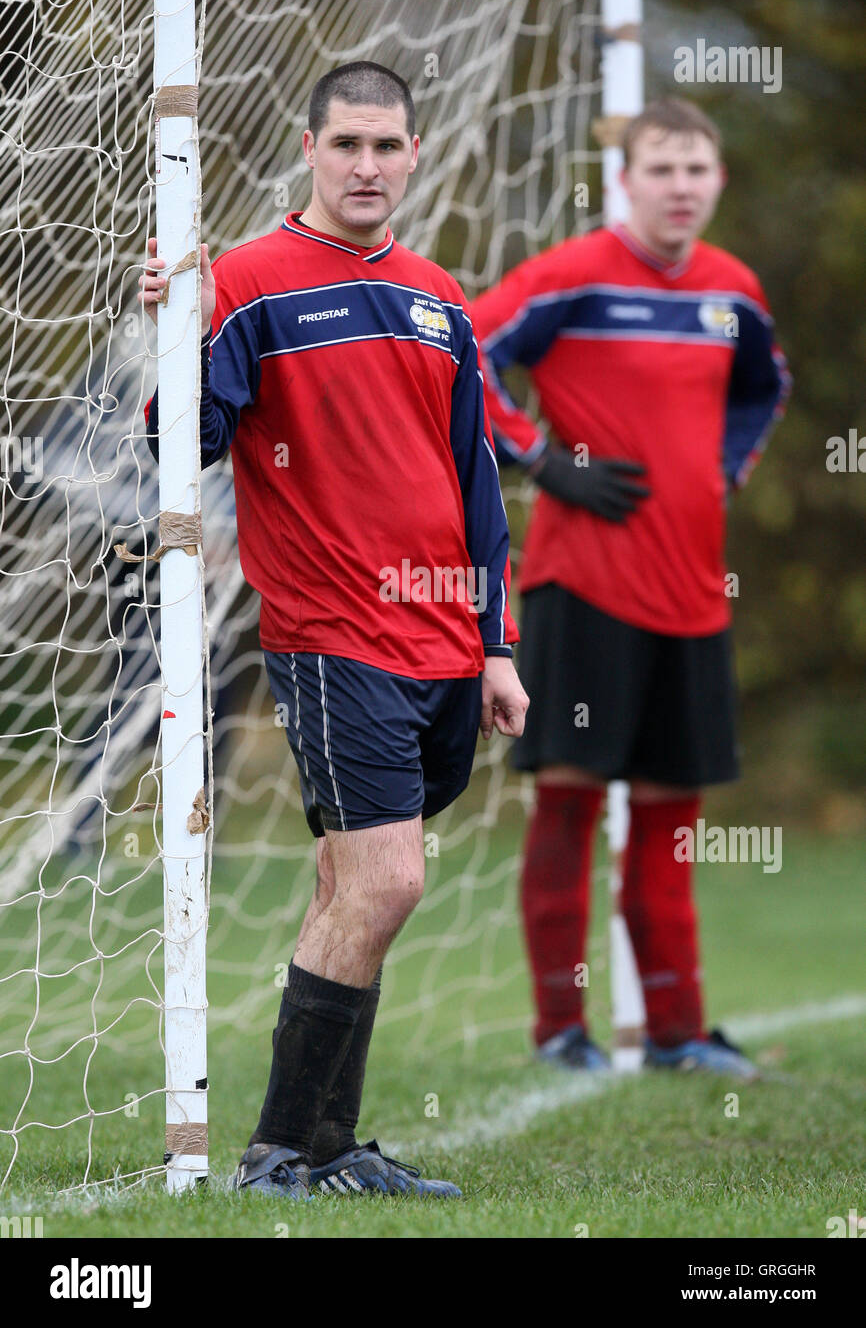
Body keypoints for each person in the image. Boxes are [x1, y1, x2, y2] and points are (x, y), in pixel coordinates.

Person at [139, 61, 528, 1199]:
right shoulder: (251, 282)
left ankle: (330, 1146)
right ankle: (270, 1152)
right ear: (309, 149)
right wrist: (176, 326)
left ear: (412, 155)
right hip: (330, 635)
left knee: (346, 885)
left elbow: (476, 482)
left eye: (386, 147)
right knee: (388, 883)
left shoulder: (437, 295)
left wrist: (494, 642)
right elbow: (188, 438)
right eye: (346, 144)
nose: (366, 165)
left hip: (443, 642)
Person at [471, 98, 790, 1077]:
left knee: (667, 816)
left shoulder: (730, 291)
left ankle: (676, 1031)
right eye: (661, 169)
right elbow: (459, 353)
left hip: (692, 592)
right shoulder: (569, 275)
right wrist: (538, 456)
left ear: (717, 180)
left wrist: (717, 475)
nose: (680, 186)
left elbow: (761, 388)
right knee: (566, 805)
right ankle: (559, 1030)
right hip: (582, 583)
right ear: (626, 179)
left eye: (696, 169)